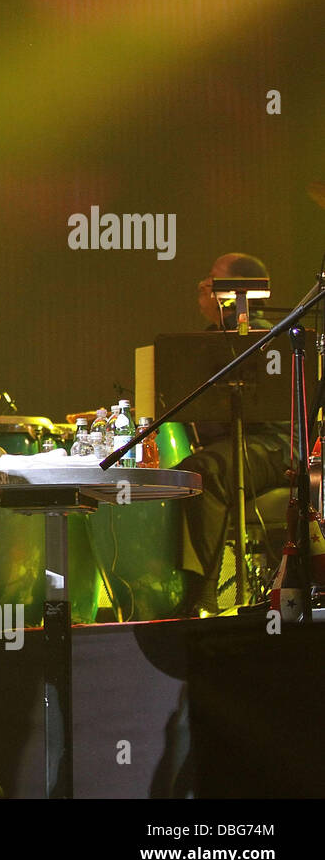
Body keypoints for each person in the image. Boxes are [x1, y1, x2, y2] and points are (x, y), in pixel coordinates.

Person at [176, 253, 291, 615]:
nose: (203, 288)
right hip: (241, 444)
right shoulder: (210, 339)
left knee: (200, 473)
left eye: (212, 281)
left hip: (277, 445)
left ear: (236, 290)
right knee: (188, 469)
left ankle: (201, 591)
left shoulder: (262, 336)